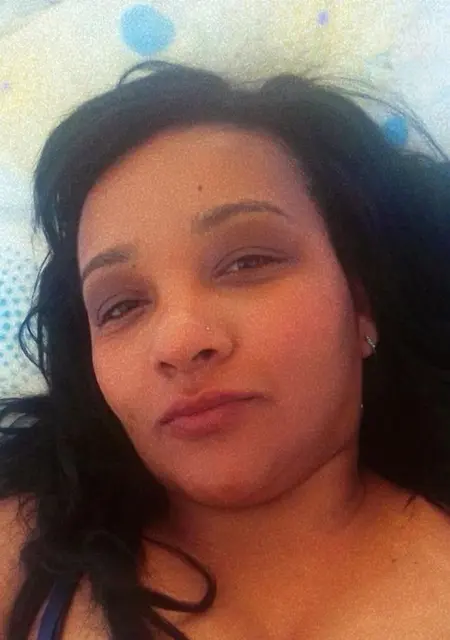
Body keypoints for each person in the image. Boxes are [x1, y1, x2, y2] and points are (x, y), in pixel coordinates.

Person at [1, 59, 450, 640]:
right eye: (121, 306)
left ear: (361, 303)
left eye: (247, 262)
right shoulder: (22, 549)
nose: (179, 342)